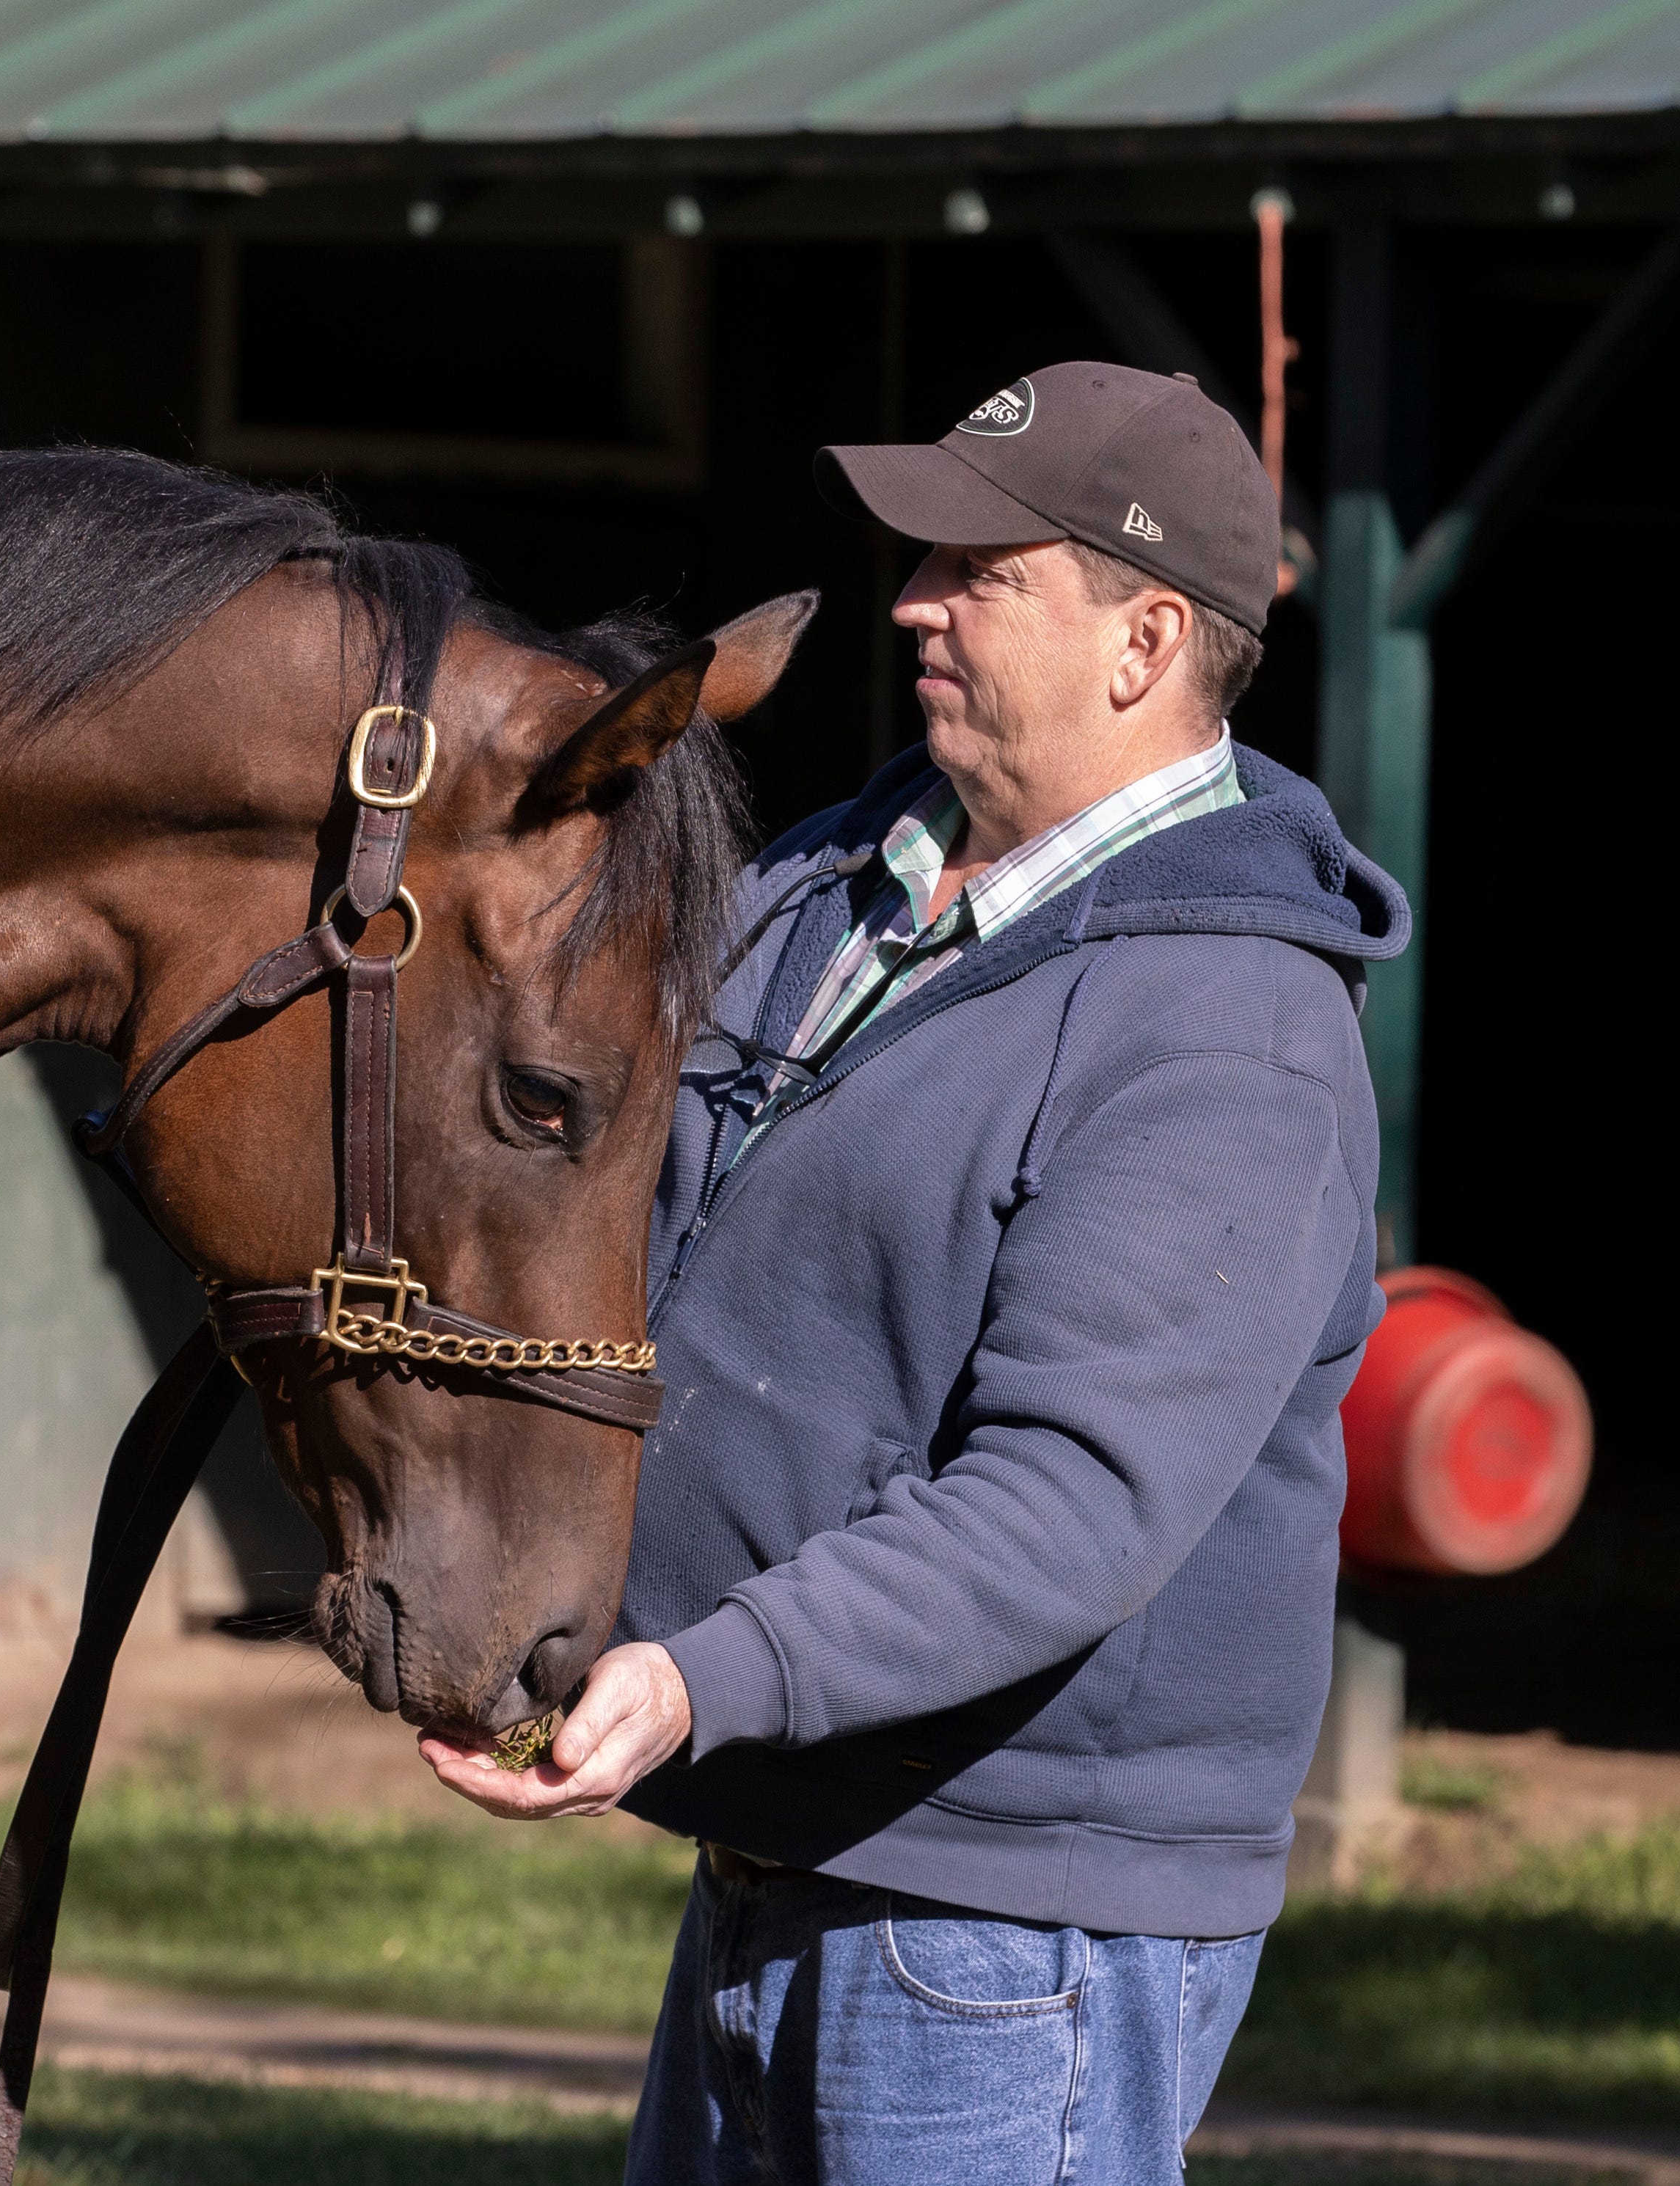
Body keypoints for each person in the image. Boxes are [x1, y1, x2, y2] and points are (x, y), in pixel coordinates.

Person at [421, 361, 1410, 2183]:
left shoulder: (1231, 1026)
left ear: (1145, 641)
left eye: (983, 571)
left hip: (1008, 1922)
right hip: (778, 1840)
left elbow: (1072, 1498)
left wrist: (710, 1673)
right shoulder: (829, 888)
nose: (912, 604)